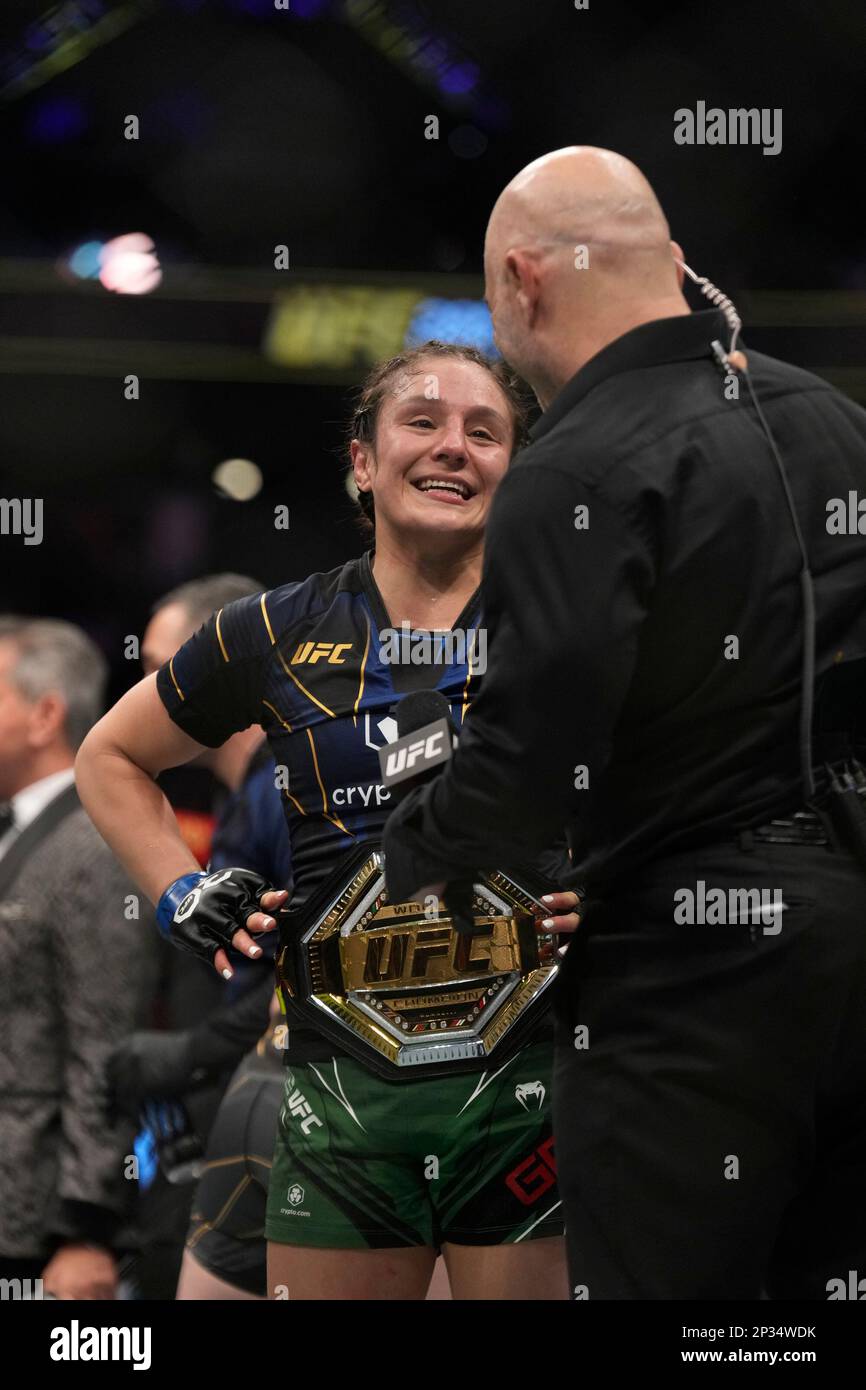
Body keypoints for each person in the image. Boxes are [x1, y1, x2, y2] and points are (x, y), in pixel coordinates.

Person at [381, 147, 866, 1300]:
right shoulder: (836, 421)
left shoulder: (574, 463)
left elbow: (529, 759)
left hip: (693, 960)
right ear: (676, 268)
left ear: (520, 281)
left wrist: (401, 857)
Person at [75, 340, 575, 1301]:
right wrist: (178, 888)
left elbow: (692, 776)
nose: (453, 449)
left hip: (531, 1089)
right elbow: (110, 756)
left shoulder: (569, 624)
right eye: (422, 423)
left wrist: (626, 890)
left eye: (485, 431)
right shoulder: (271, 632)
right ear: (362, 458)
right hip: (345, 1103)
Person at [110, 572, 291, 1300]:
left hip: (305, 1104)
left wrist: (193, 1053)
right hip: (246, 1098)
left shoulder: (288, 787)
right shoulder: (242, 796)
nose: (144, 698)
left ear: (221, 664)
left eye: (161, 672)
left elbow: (316, 960)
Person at [0, 617, 155, 1297]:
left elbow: (107, 1042)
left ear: (45, 715)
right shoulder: (22, 830)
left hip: (42, 1221)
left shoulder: (92, 845)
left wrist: (86, 1226)